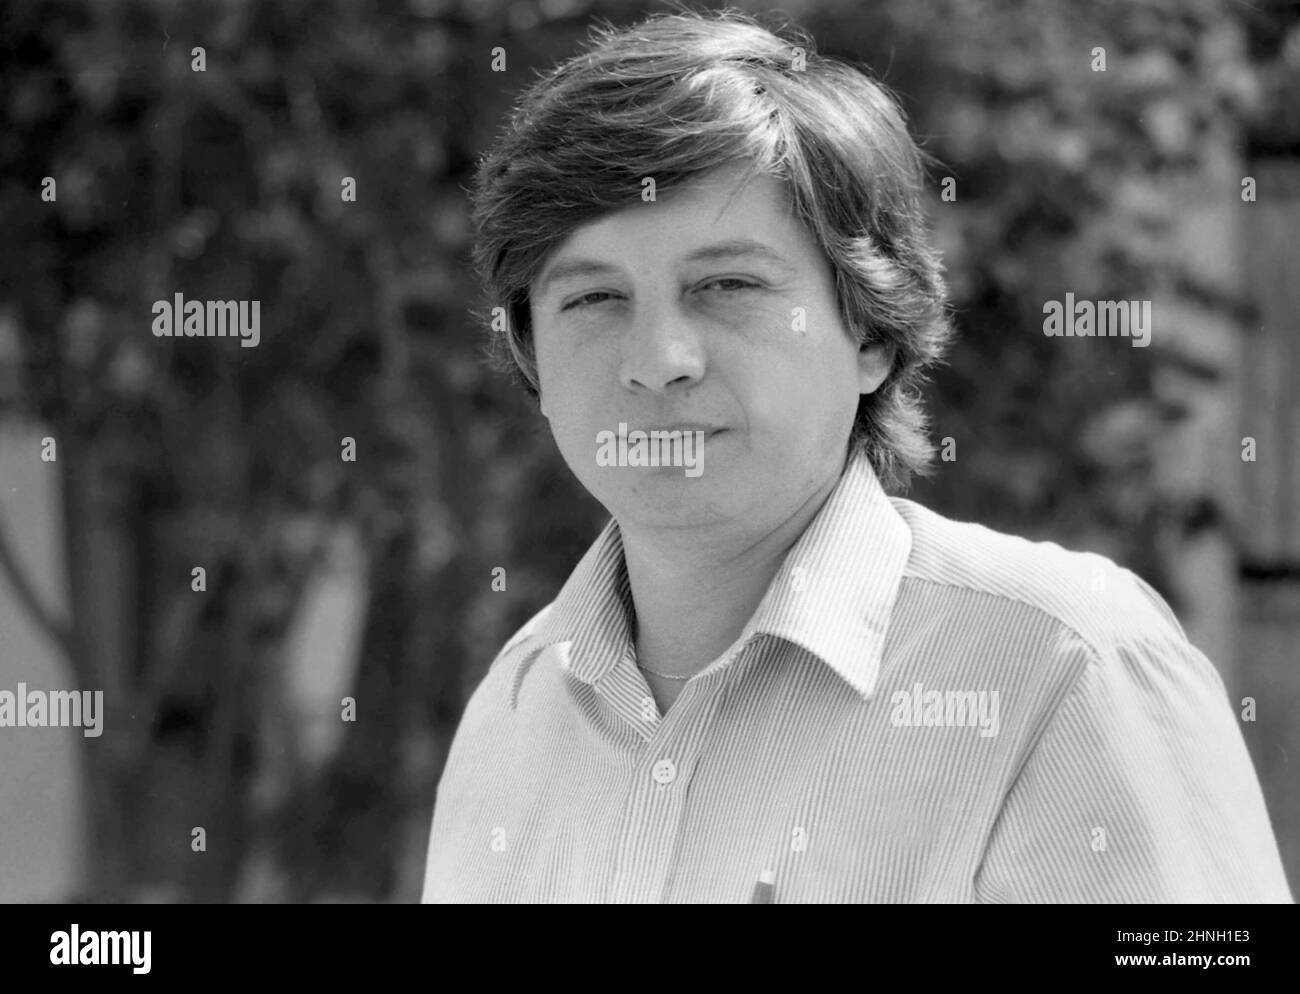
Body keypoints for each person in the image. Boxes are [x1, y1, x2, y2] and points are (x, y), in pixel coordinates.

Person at [421, 9, 1292, 903]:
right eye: (594, 298)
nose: (657, 361)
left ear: (870, 330)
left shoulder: (1068, 666)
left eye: (727, 286)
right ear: (530, 351)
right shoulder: (513, 713)